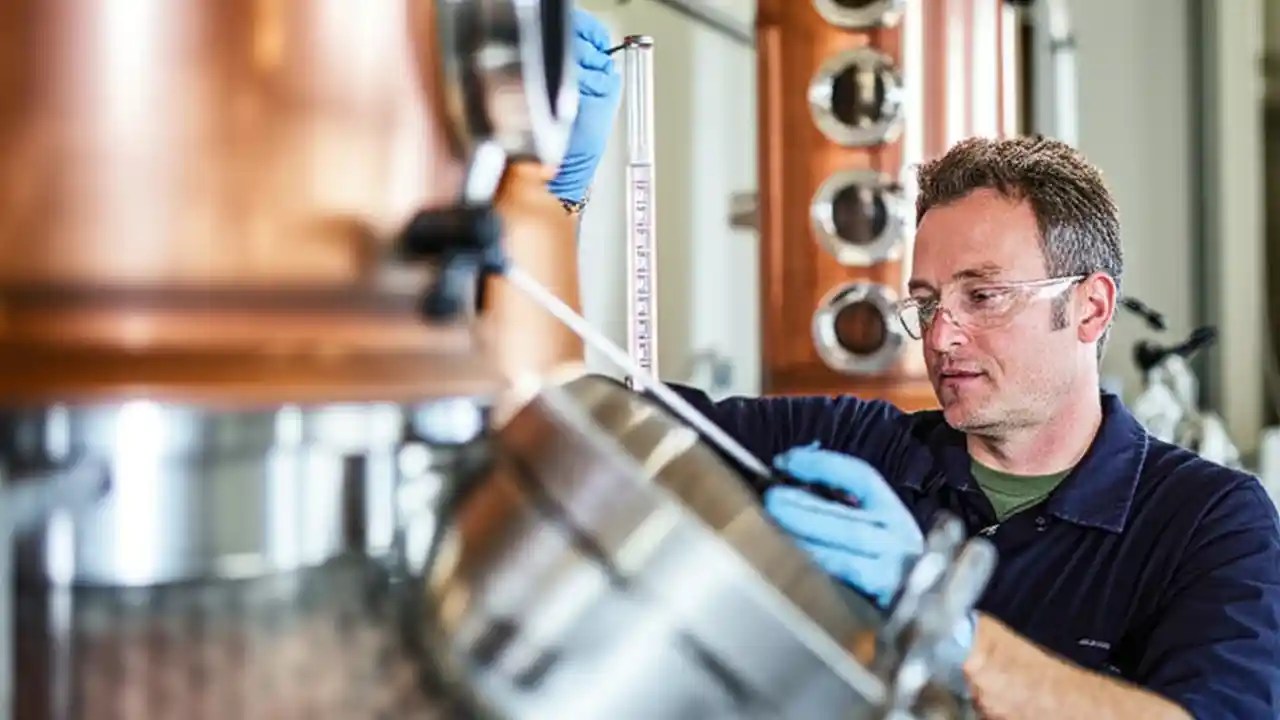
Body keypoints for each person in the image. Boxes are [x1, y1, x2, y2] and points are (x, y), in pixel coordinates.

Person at [551, 9, 1280, 718]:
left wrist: (948, 626)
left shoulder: (1208, 522)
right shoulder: (859, 451)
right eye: (927, 302)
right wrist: (548, 196)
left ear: (1090, 308)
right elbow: (567, 419)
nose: (941, 335)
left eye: (984, 295)